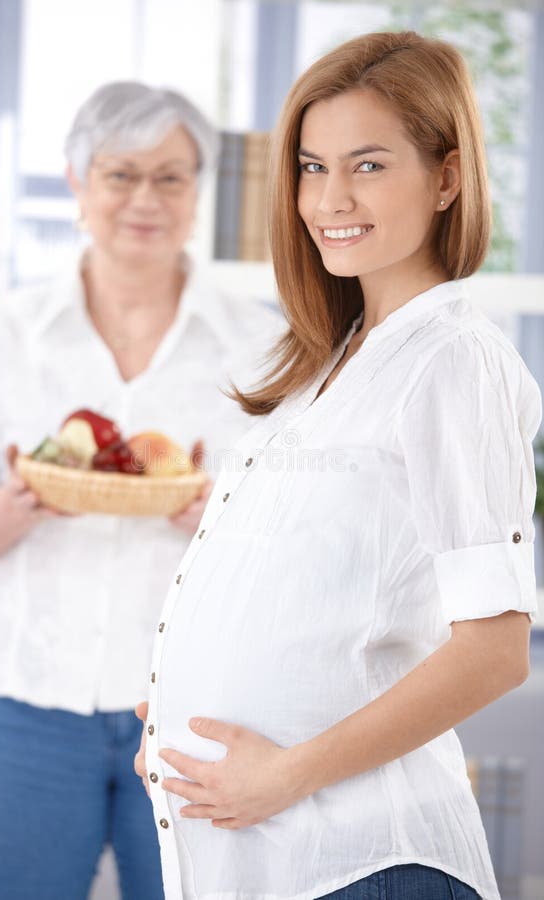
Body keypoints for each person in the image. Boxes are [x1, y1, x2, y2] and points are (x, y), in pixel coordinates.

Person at [135, 31, 541, 900]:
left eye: (368, 165)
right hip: (265, 858)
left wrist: (289, 772)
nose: (330, 198)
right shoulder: (323, 364)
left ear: (447, 177)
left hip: (361, 862)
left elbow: (497, 650)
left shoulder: (453, 361)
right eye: (312, 167)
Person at [0, 82, 281, 900]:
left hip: (198, 714)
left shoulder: (267, 344)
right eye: (121, 174)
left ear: (198, 191)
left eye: (171, 177)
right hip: (20, 704)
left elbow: (293, 544)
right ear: (77, 182)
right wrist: (25, 500)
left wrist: (221, 517)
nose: (145, 199)